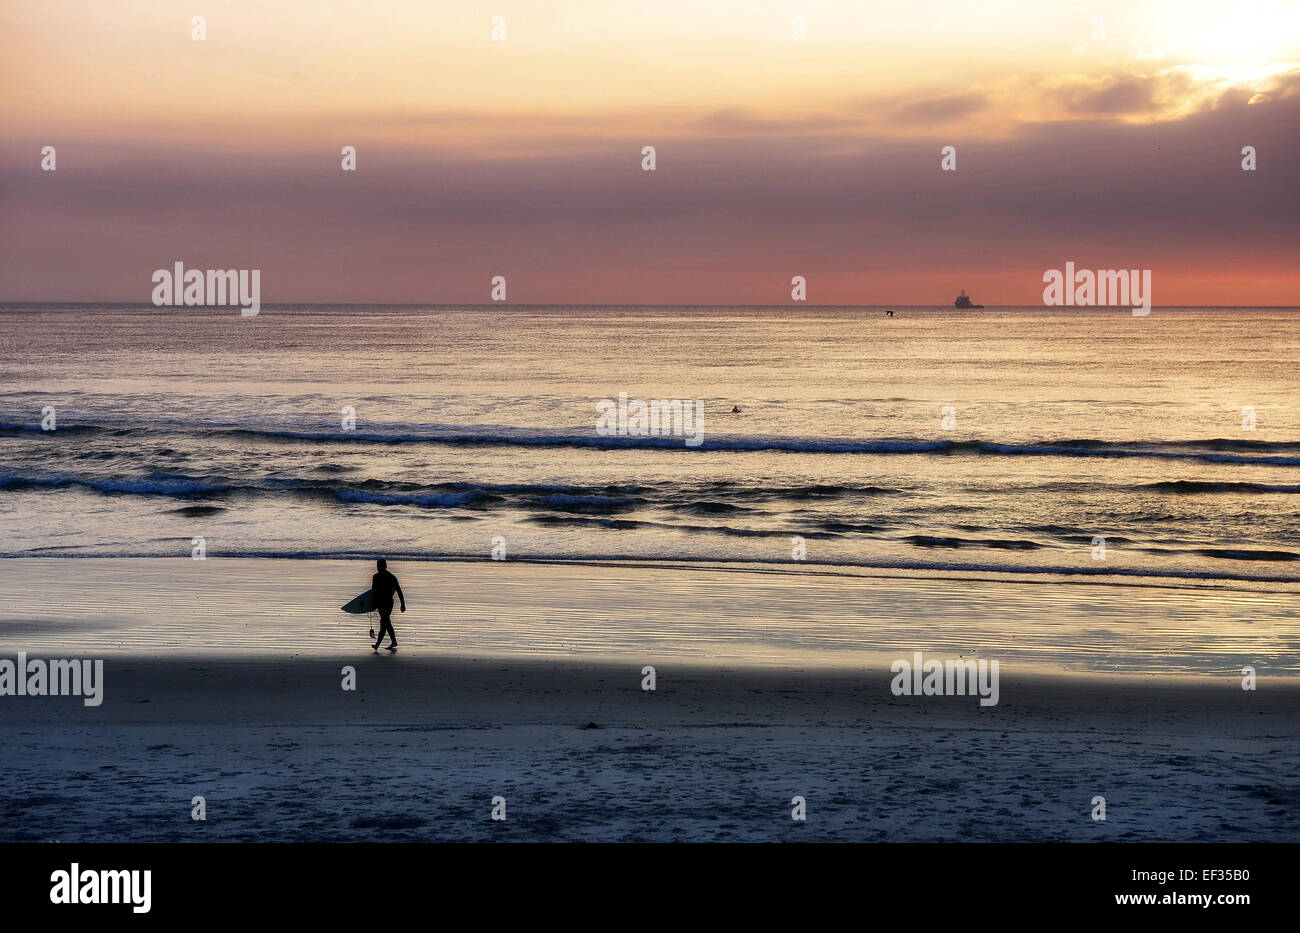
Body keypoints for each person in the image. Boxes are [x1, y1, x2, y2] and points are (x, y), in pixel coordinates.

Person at [370, 558, 406, 651]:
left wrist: (403, 604)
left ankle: (378, 644)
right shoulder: (391, 577)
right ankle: (392, 642)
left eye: (379, 565)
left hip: (384, 603)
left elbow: (373, 593)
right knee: (386, 622)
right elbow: (399, 591)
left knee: (384, 622)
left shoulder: (378, 577)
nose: (378, 567)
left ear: (380, 566)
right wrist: (402, 604)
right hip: (386, 602)